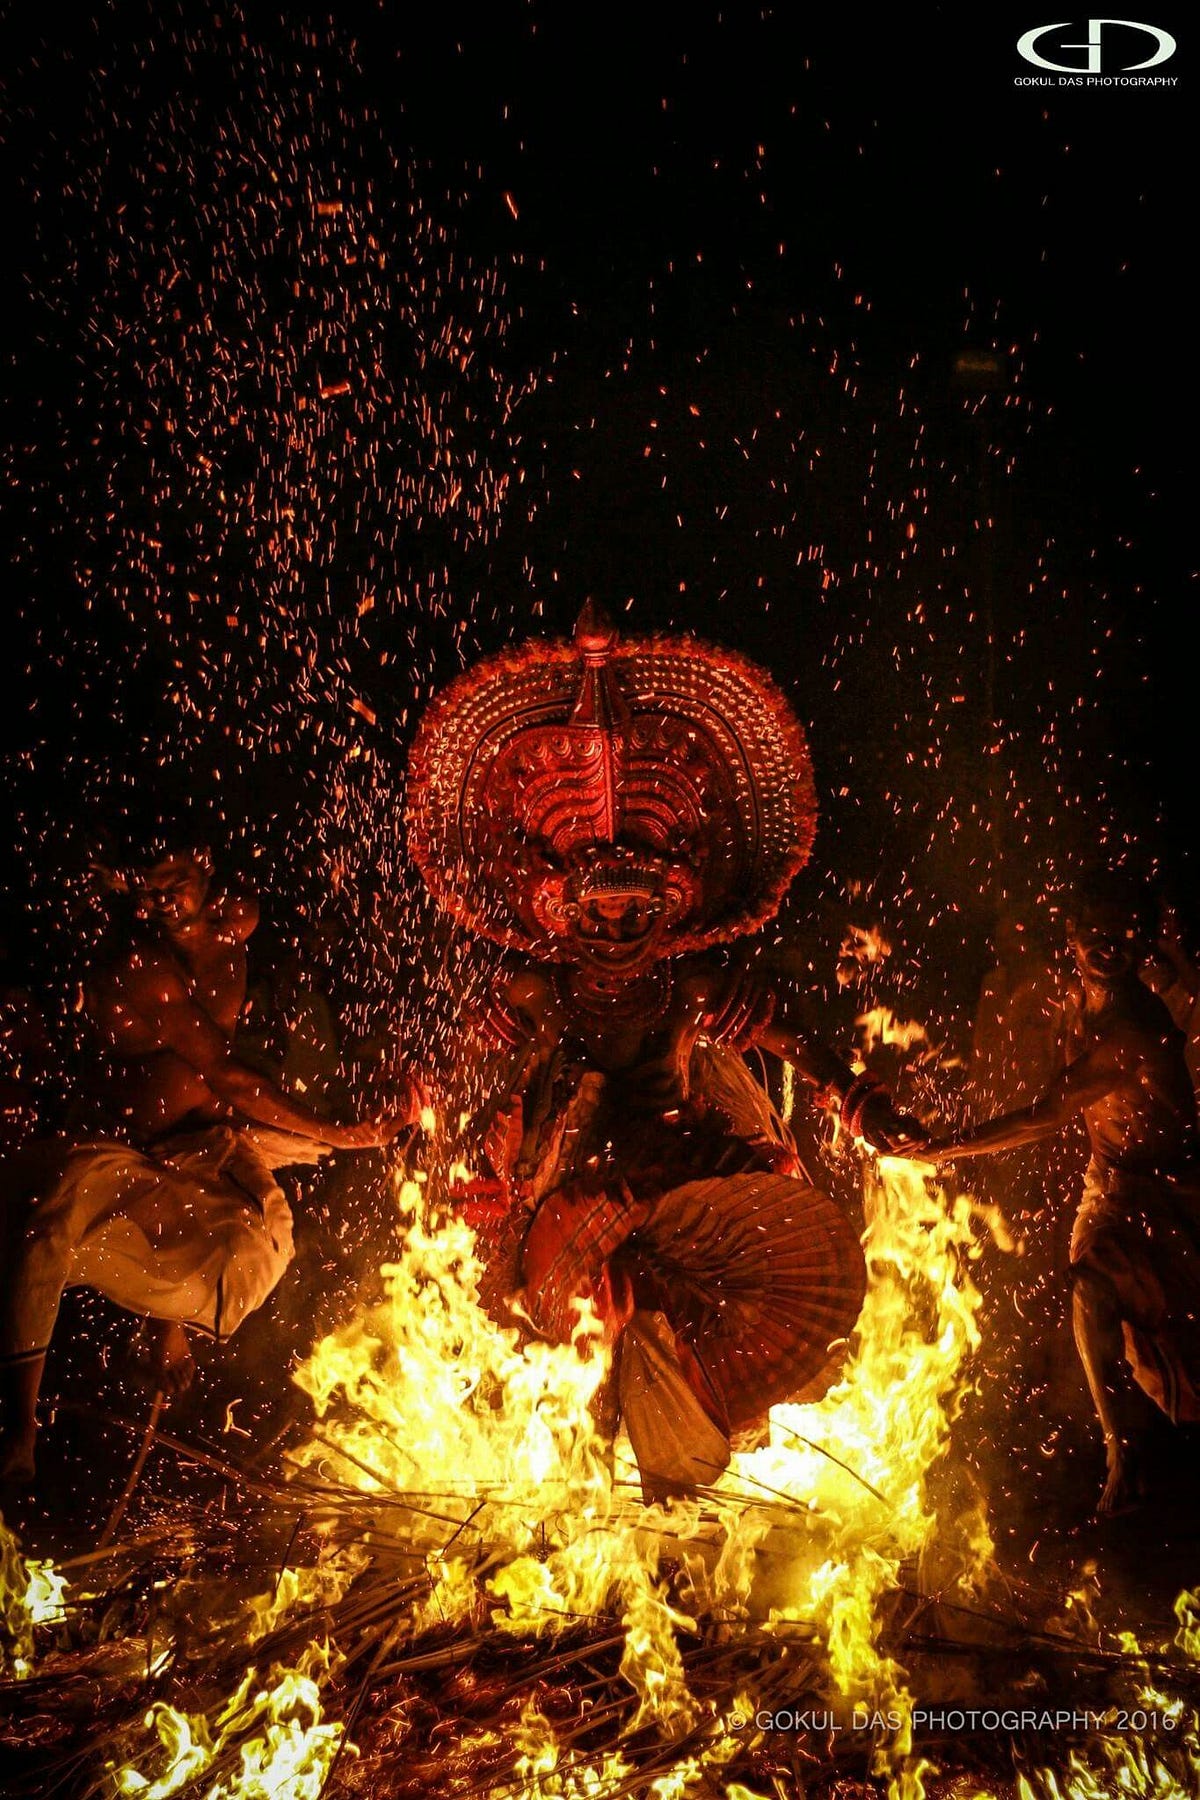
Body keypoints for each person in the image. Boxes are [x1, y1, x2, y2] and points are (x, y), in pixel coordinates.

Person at [406, 607, 925, 1498]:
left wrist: (858, 1100)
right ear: (563, 912)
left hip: (688, 1168)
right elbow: (466, 1073)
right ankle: (570, 1462)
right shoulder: (541, 989)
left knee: (702, 1300)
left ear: (671, 910)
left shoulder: (690, 988)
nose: (615, 932)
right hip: (571, 1182)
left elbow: (790, 1042)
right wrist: (442, 1118)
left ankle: (688, 1456)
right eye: (599, 916)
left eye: (635, 915)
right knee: (551, 1296)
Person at [0, 840, 420, 1488]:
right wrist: (342, 1132)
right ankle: (19, 1425)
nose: (162, 896)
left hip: (202, 1145)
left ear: (203, 863)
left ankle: (189, 1352)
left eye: (171, 877)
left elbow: (230, 1070)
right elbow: (225, 1073)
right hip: (131, 1152)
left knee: (252, 1247)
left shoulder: (234, 920)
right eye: (146, 886)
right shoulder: (138, 963)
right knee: (48, 1231)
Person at [926, 874, 1200, 1515]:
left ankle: (1123, 1454)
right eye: (1095, 935)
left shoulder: (1132, 1022)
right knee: (1093, 1293)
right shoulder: (1082, 999)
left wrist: (940, 1149)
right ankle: (1123, 1451)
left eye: (1122, 937)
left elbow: (1046, 1114)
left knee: (1161, 1336)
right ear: (1073, 938)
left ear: (1140, 942)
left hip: (1167, 1196)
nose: (1109, 948)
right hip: (1109, 1183)